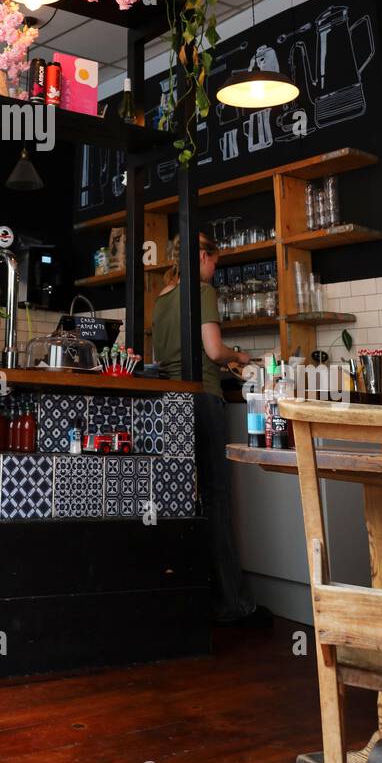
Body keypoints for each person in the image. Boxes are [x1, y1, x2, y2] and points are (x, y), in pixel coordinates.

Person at [152, 231, 270, 627]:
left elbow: (162, 356)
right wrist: (240, 355)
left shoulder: (161, 299)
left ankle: (195, 592)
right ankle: (233, 602)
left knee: (188, 498)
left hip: (171, 402)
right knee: (217, 498)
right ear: (200, 256)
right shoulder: (200, 292)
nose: (215, 266)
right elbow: (214, 350)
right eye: (214, 258)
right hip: (204, 397)